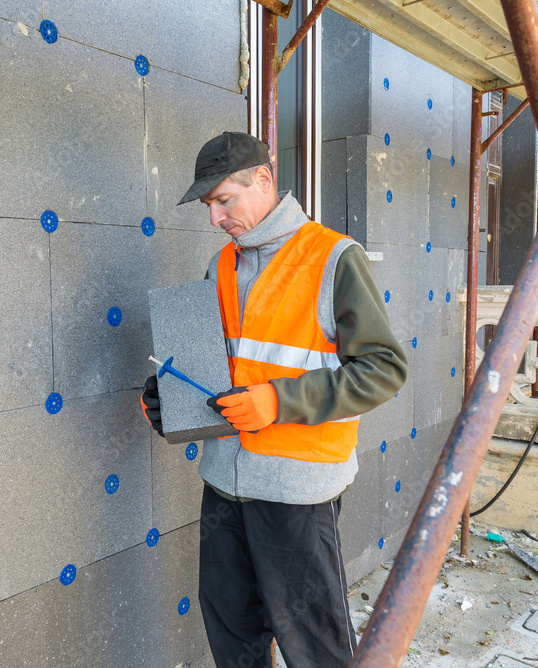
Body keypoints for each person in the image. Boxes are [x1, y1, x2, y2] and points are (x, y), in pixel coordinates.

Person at [140, 131, 407, 668]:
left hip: (297, 490)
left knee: (315, 646)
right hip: (224, 482)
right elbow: (216, 365)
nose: (214, 218)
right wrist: (167, 395)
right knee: (233, 634)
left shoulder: (334, 257)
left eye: (222, 200)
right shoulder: (221, 264)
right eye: (208, 205)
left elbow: (384, 369)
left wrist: (278, 402)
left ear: (263, 179)